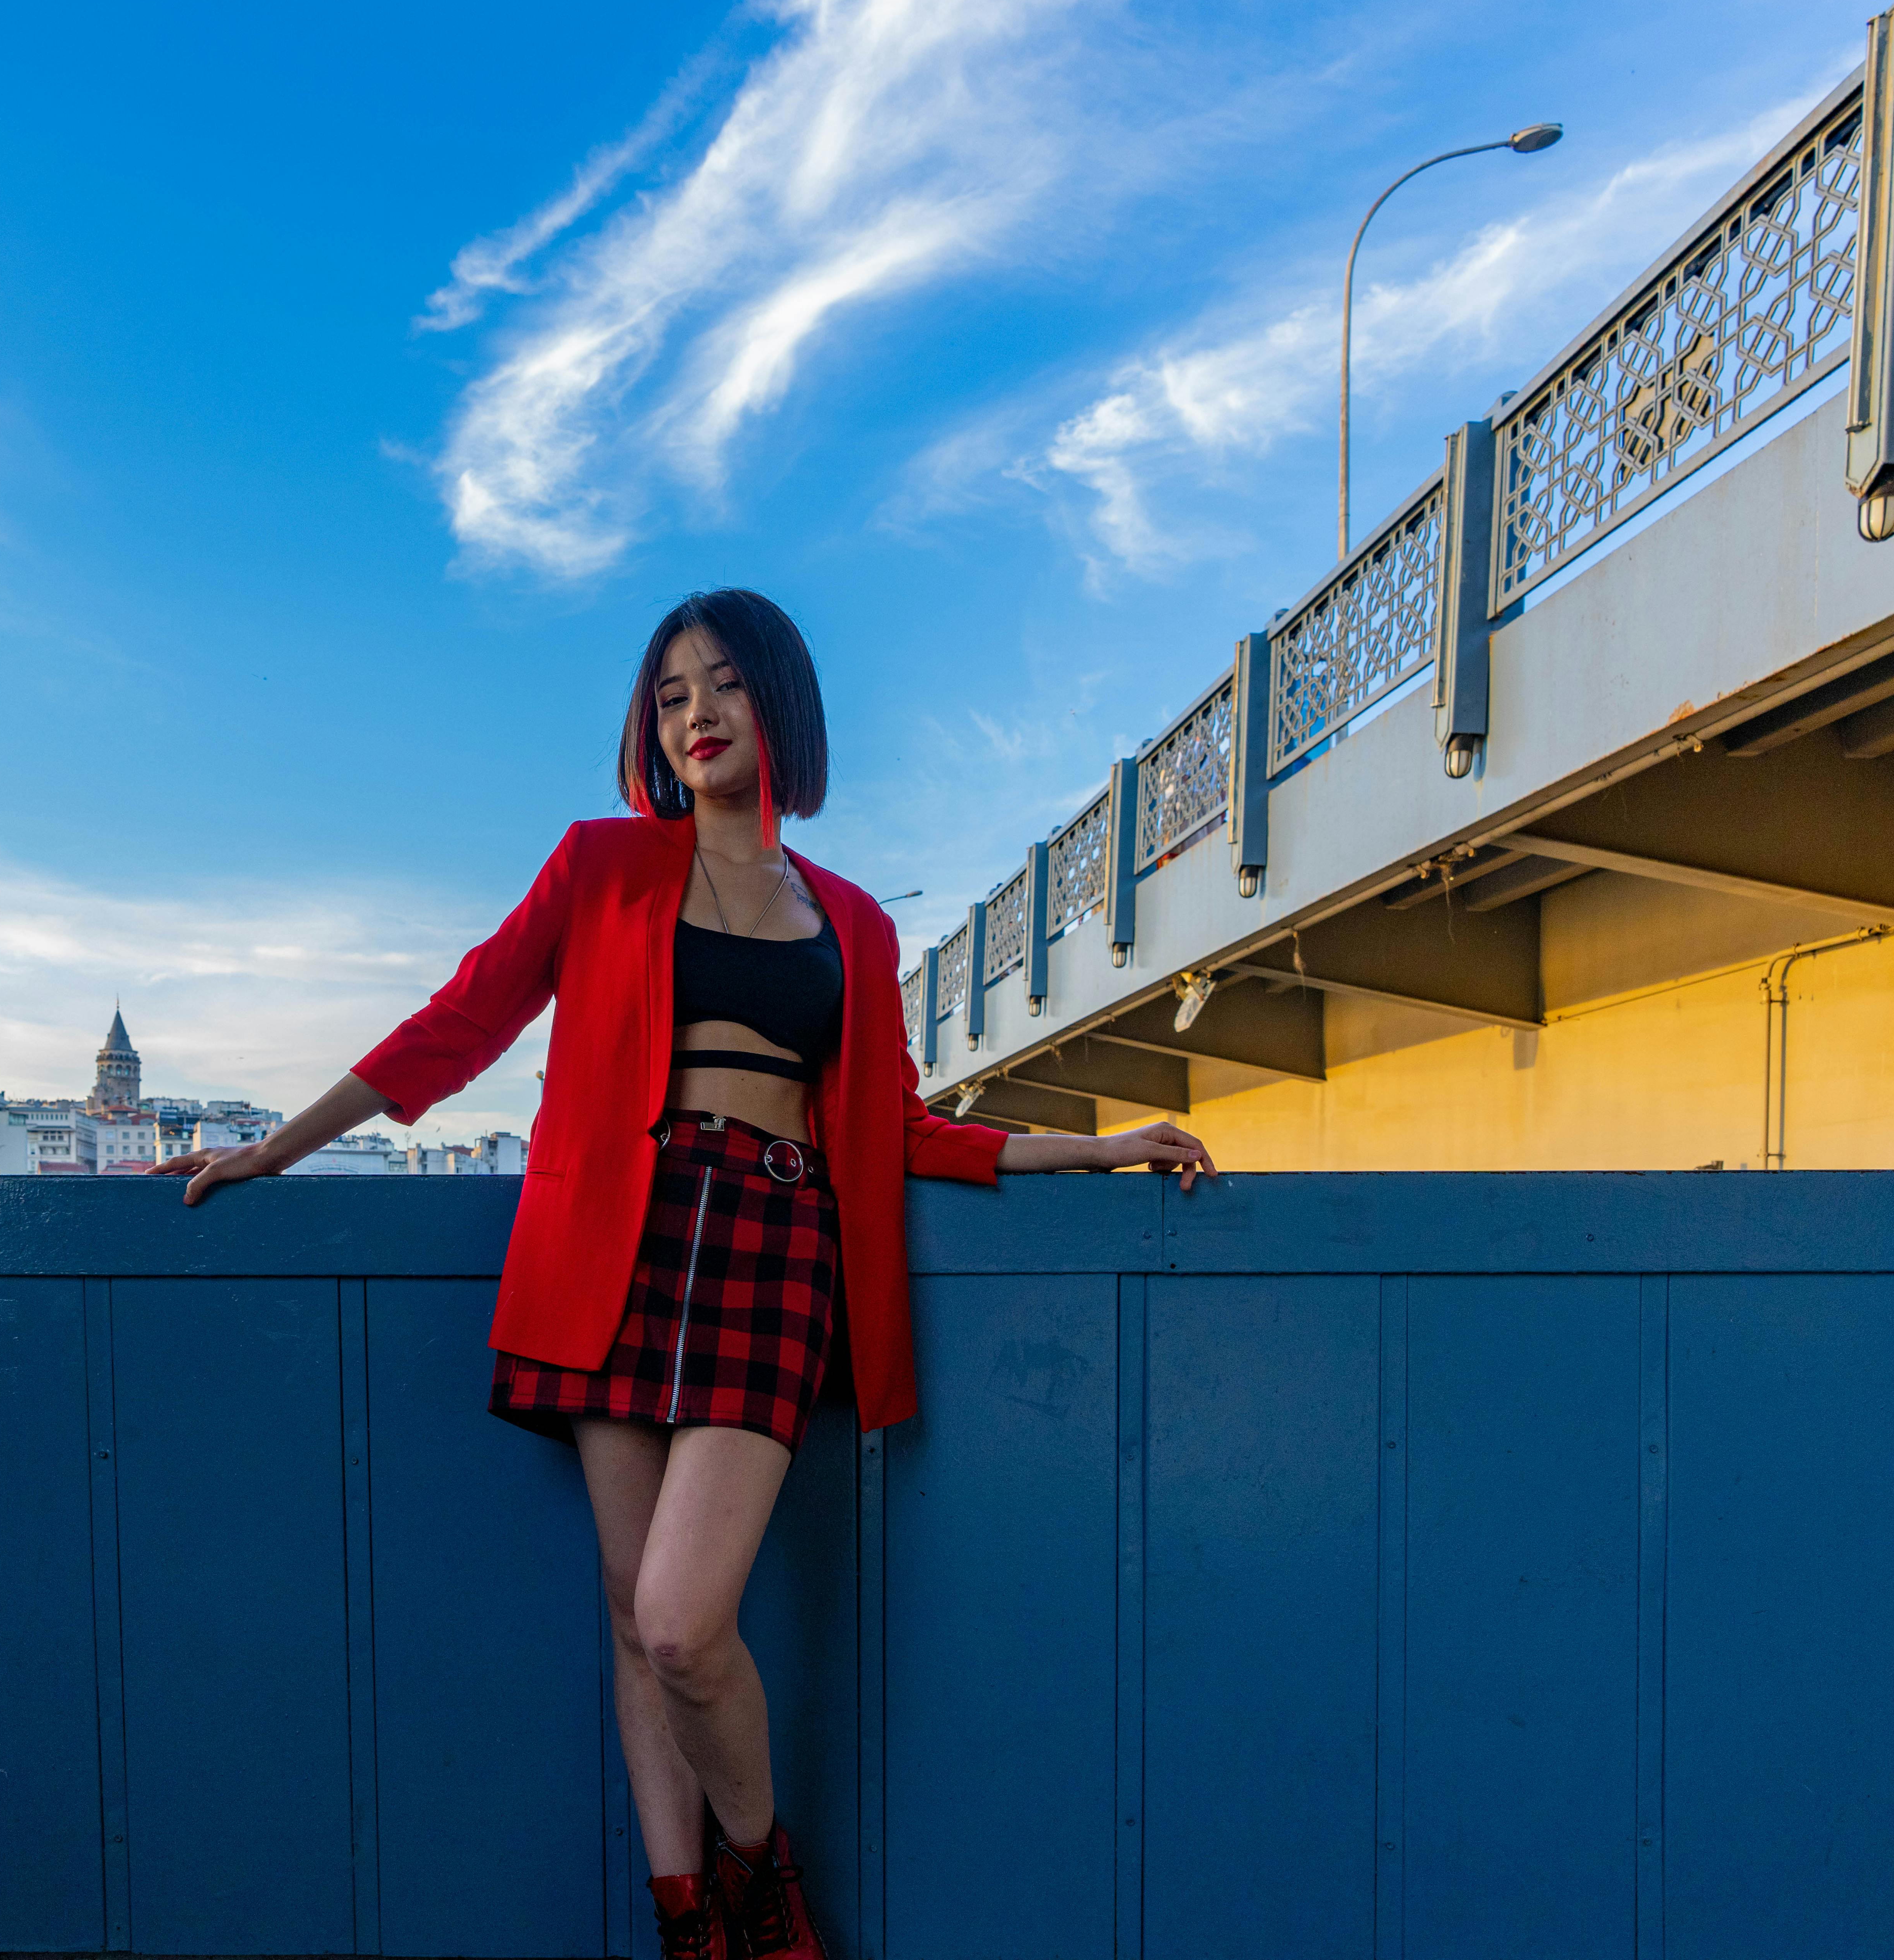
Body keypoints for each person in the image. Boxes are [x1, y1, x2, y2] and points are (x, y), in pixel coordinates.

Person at [159, 588, 1212, 1960]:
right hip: (614, 1243)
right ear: (649, 730)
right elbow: (464, 1017)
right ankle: (685, 1918)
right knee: (622, 1605)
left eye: (721, 684)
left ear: (777, 702)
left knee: (676, 1619)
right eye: (669, 695)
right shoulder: (601, 866)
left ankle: (760, 1876)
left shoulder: (851, 921)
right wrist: (277, 1148)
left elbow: (890, 1123)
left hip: (773, 1249)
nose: (696, 714)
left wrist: (1090, 1148)